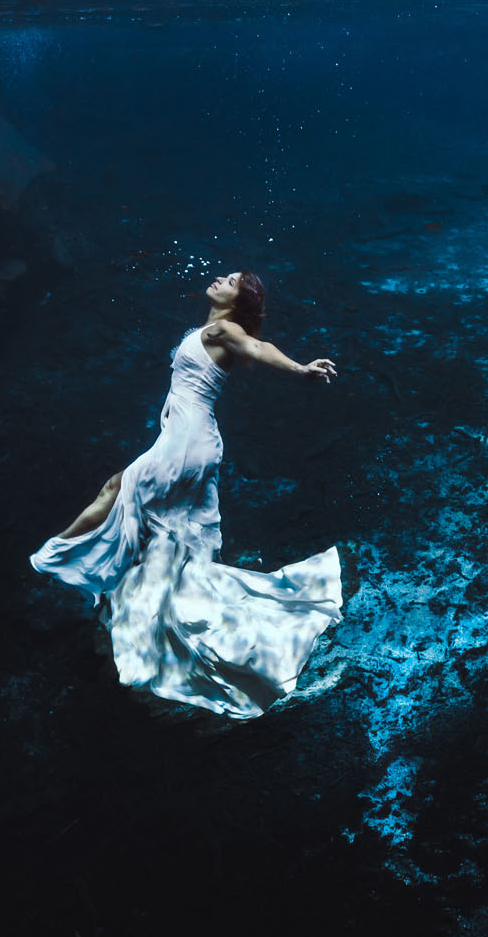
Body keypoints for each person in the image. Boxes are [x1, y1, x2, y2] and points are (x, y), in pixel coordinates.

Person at [29, 269, 343, 720]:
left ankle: (56, 557)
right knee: (141, 507)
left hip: (189, 439)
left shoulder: (224, 329)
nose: (219, 278)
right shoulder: (209, 329)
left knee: (122, 489)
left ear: (240, 300)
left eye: (232, 280)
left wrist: (300, 369)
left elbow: (257, 347)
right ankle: (89, 570)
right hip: (189, 436)